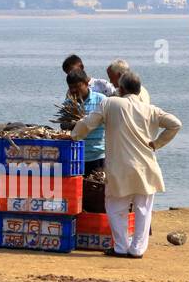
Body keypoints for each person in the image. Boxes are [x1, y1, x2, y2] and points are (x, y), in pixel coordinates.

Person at [72, 70, 181, 258]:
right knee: (143, 209)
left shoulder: (109, 103)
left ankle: (121, 247)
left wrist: (73, 136)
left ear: (120, 89)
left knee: (115, 207)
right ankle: (137, 249)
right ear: (138, 91)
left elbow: (88, 123)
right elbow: (175, 124)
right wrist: (157, 143)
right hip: (146, 168)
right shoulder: (150, 109)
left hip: (120, 168)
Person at [64, 70, 108, 173]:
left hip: (98, 154)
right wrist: (74, 124)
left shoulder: (101, 100)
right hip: (76, 156)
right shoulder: (68, 103)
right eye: (71, 87)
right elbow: (63, 124)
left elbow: (110, 122)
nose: (74, 90)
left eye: (77, 86)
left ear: (86, 84)